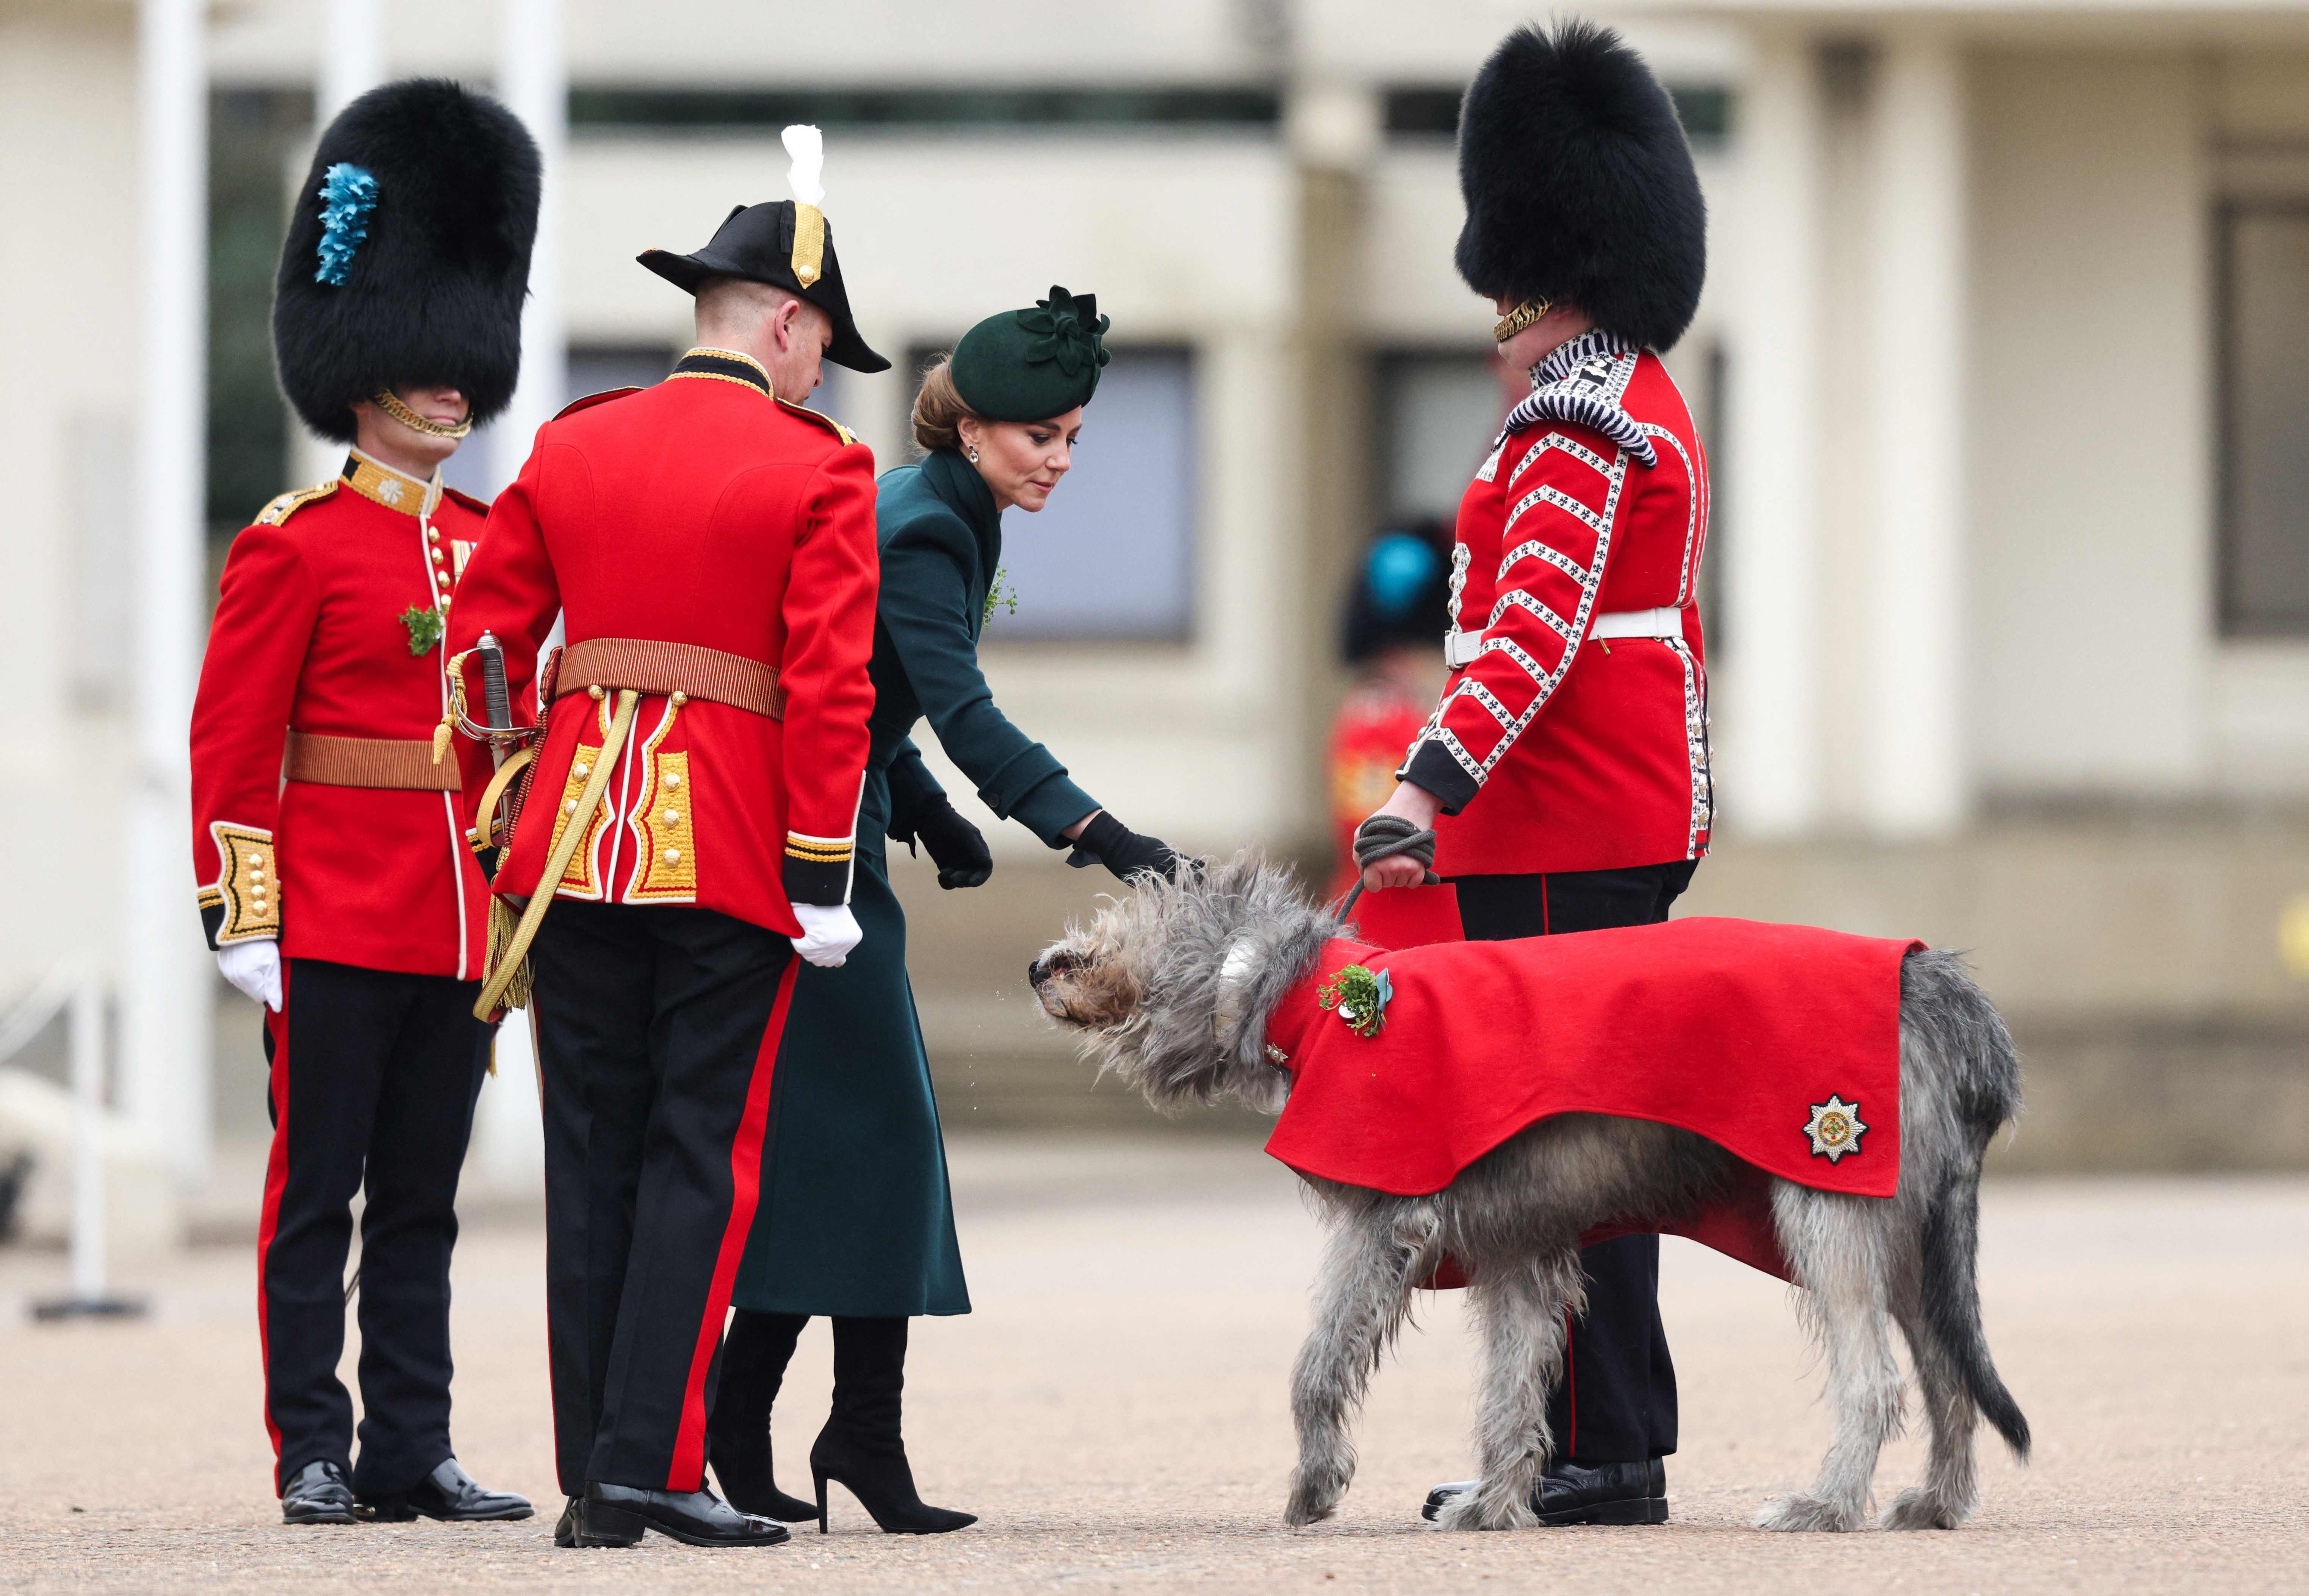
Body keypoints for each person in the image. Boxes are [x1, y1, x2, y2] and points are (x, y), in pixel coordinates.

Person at [443, 127, 886, 1550]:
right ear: (788, 321)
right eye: (825, 343)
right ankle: (650, 1462)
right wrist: (822, 871)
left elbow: (482, 656)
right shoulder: (823, 469)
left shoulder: (573, 444)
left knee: (593, 1151)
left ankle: (603, 1470)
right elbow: (829, 685)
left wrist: (501, 795)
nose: (823, 372)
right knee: (703, 1150)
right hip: (739, 846)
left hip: (570, 849)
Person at [707, 287, 1184, 1535]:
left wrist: (918, 804)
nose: (1063, 461)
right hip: (809, 846)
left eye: (1076, 436)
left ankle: (819, 1420)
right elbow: (962, 707)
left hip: (838, 819)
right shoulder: (929, 525)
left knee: (860, 1140)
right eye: (1042, 437)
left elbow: (868, 682)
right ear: (972, 428)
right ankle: (780, 1415)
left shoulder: (943, 508)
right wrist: (1102, 837)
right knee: (873, 1138)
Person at [1354, 22, 1714, 1527]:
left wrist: (1424, 787)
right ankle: (1583, 1440)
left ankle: (1599, 1449)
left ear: (1535, 274)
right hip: (1585, 815)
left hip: (1565, 820)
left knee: (1563, 1151)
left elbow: (1532, 641)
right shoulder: (1603, 396)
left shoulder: (1577, 411)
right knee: (1556, 1145)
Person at [188, 79, 540, 1529]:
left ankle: (413, 1442)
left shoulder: (489, 543)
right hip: (332, 918)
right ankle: (312, 1448)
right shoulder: (296, 547)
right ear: (367, 373)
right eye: (429, 368)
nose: (454, 389)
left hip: (459, 924)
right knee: (312, 1201)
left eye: (467, 367)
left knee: (421, 1208)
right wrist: (240, 912)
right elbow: (235, 739)